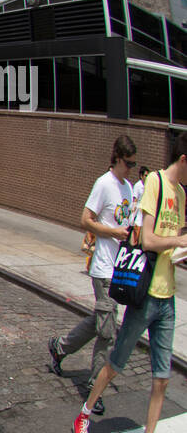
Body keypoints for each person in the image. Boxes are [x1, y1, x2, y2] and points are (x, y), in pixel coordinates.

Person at [73, 134, 187, 433]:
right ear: (183, 159)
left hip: (167, 298)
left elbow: (174, 241)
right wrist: (179, 241)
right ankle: (85, 413)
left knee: (162, 378)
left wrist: (183, 248)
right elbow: (148, 239)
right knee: (116, 361)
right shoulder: (154, 184)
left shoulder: (181, 195)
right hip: (145, 295)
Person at [47, 136, 137, 415]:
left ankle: (60, 346)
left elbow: (127, 221)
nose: (131, 169)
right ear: (118, 158)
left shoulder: (128, 187)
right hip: (102, 269)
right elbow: (85, 219)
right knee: (108, 332)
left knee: (101, 321)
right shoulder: (104, 184)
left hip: (120, 268)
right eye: (129, 163)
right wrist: (112, 232)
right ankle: (93, 387)